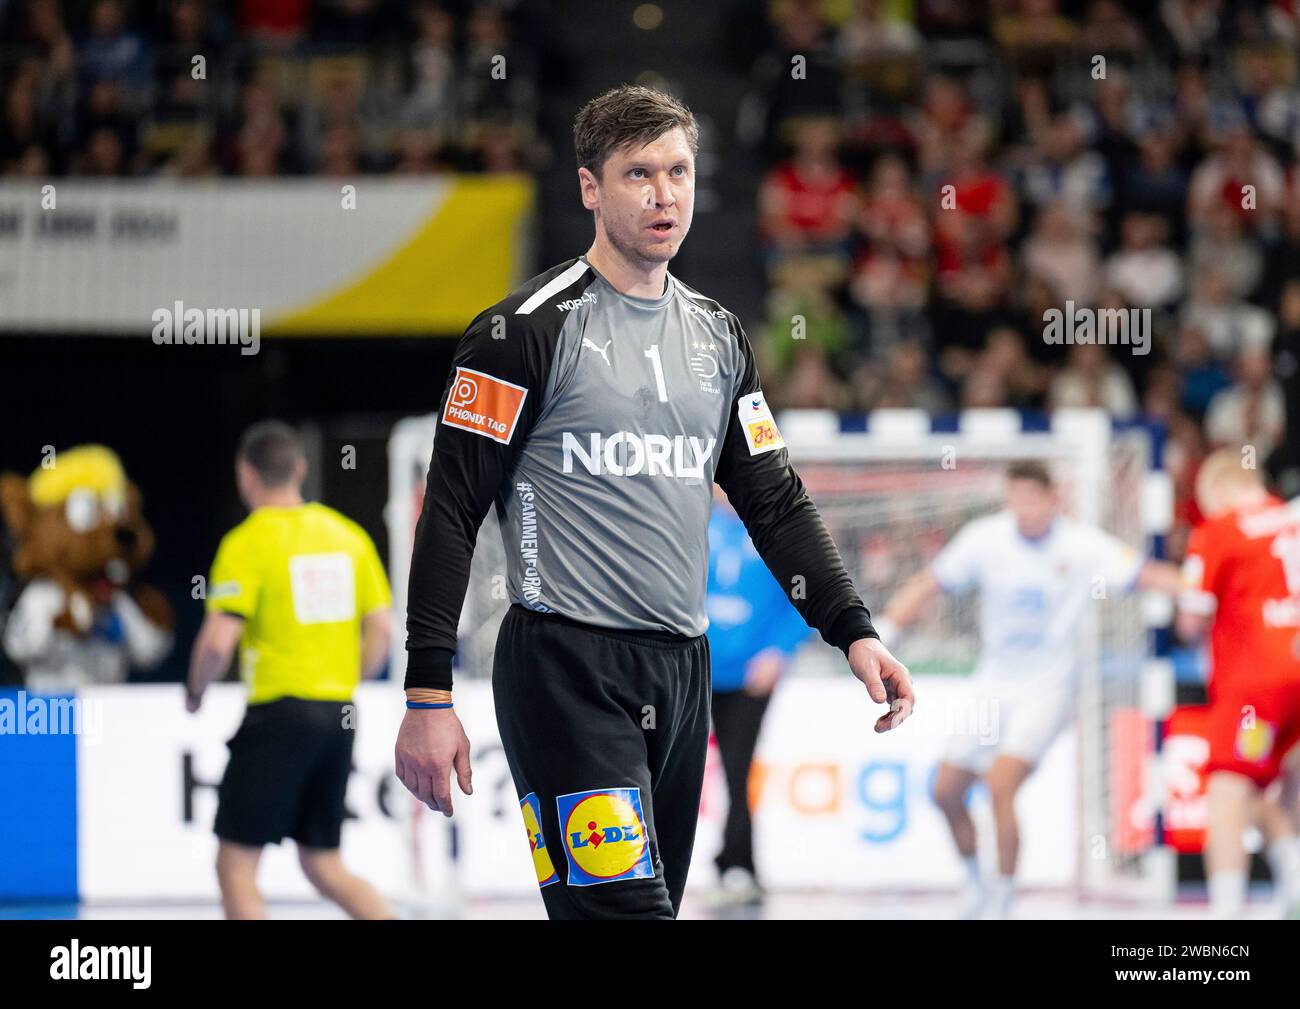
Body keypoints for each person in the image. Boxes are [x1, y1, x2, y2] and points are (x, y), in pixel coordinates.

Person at [394, 84, 914, 920]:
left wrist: (851, 628)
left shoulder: (718, 335)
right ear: (590, 188)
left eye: (679, 171)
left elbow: (774, 501)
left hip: (683, 669)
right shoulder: (520, 332)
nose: (665, 194)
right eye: (639, 174)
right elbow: (449, 513)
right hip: (564, 668)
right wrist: (427, 695)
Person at [877, 460, 1181, 918]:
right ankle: (977, 886)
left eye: (1032, 500)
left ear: (1052, 499)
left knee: (1001, 784)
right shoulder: (986, 538)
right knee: (944, 791)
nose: (1024, 509)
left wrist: (1205, 589)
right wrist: (884, 631)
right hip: (994, 684)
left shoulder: (1081, 546)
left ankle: (1002, 901)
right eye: (1016, 499)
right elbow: (928, 584)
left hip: (1050, 688)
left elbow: (1146, 574)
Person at [187, 421, 396, 920]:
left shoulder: (247, 542)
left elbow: (219, 641)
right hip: (338, 715)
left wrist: (195, 688)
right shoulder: (348, 537)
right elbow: (385, 630)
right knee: (324, 864)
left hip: (279, 714)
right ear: (299, 468)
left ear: (245, 475)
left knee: (235, 865)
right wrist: (350, 679)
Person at [1177, 449, 1300, 919]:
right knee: (1278, 789)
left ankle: (1225, 917)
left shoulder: (1219, 529)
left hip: (1256, 684)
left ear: (1221, 490)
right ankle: (1292, 886)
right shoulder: (1290, 518)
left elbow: (1191, 620)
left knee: (1228, 794)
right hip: (1294, 674)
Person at [706, 487, 811, 904]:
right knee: (669, 767)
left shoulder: (776, 532)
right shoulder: (693, 524)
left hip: (749, 679)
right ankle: (647, 868)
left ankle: (737, 868)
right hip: (692, 670)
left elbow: (803, 598)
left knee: (737, 771)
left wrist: (778, 653)